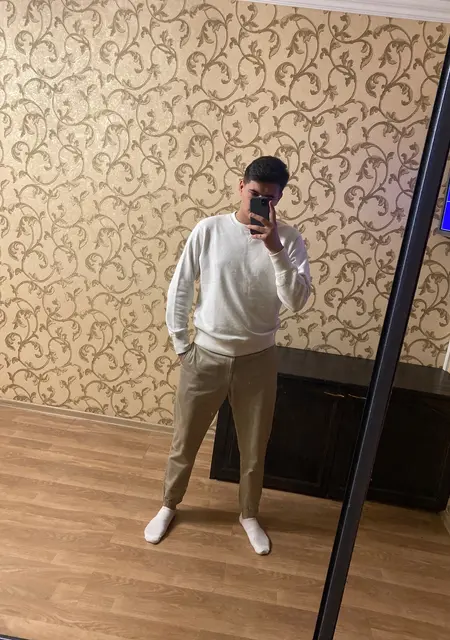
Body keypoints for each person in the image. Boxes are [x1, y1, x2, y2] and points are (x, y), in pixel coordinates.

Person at [144, 156, 311, 555]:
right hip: (205, 355)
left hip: (259, 360)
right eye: (254, 194)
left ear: (279, 198)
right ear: (241, 187)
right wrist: (181, 344)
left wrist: (274, 248)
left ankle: (249, 514)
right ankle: (169, 505)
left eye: (269, 198)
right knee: (185, 440)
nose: (260, 204)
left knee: (254, 447)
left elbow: (297, 301)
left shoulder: (288, 240)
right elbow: (180, 286)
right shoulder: (210, 230)